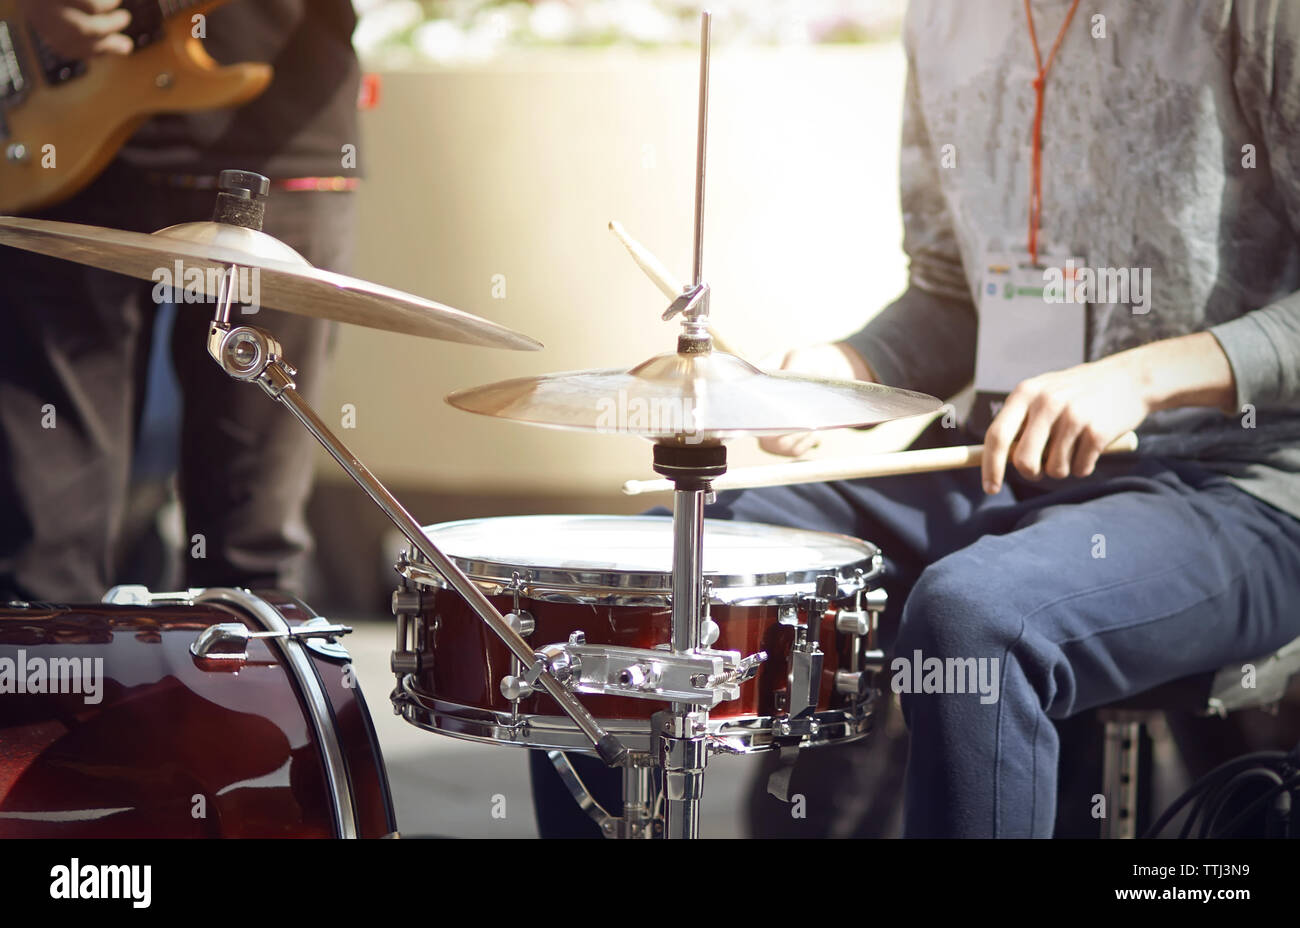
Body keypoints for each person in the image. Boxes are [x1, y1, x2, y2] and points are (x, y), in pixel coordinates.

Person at [531, 0, 1300, 838]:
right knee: (625, 580)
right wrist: (850, 370)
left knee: (973, 619)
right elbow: (951, 295)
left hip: (1237, 482)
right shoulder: (942, 17)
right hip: (995, 460)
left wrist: (1146, 378)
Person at [0, 0, 361, 600]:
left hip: (276, 147)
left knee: (251, 563)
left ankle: (244, 692)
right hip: (53, 145)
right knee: (40, 550)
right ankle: (48, 693)